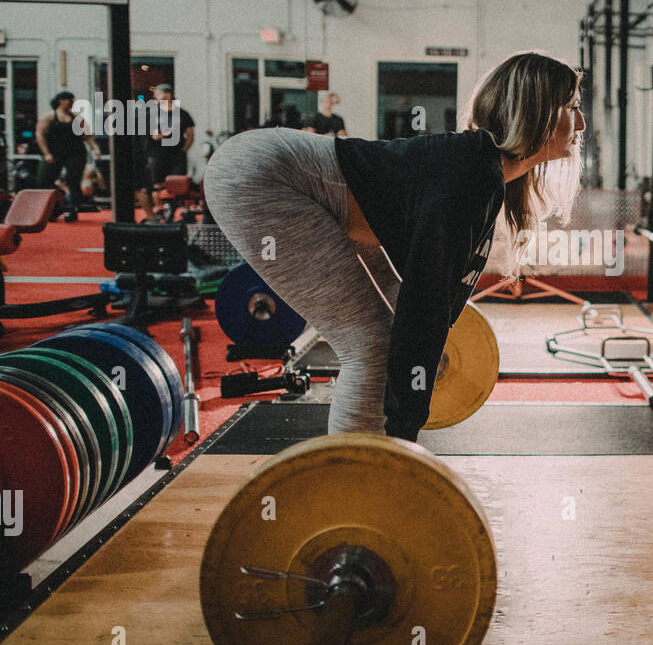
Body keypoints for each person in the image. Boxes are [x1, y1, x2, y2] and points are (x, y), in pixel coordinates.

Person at [203, 51, 583, 442]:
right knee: (369, 342)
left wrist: (414, 384)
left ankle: (370, 465)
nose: (582, 123)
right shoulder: (472, 175)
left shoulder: (481, 168)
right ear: (538, 112)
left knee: (389, 322)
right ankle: (358, 481)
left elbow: (420, 297)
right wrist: (405, 430)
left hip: (293, 181)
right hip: (263, 177)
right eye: (572, 107)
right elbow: (426, 305)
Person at [35, 91, 100, 221]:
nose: (71, 102)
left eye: (72, 100)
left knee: (73, 182)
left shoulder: (77, 118)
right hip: (55, 152)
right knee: (45, 180)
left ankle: (72, 210)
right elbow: (40, 135)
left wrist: (96, 149)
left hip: (75, 152)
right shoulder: (48, 117)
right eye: (68, 100)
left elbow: (87, 136)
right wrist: (46, 153)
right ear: (60, 101)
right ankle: (51, 209)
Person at [135, 83, 195, 221]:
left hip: (176, 154)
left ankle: (172, 212)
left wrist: (184, 148)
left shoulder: (182, 113)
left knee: (176, 184)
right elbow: (147, 136)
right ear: (156, 98)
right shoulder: (149, 114)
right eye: (162, 98)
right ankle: (159, 210)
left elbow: (190, 133)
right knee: (157, 184)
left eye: (167, 97)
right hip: (156, 154)